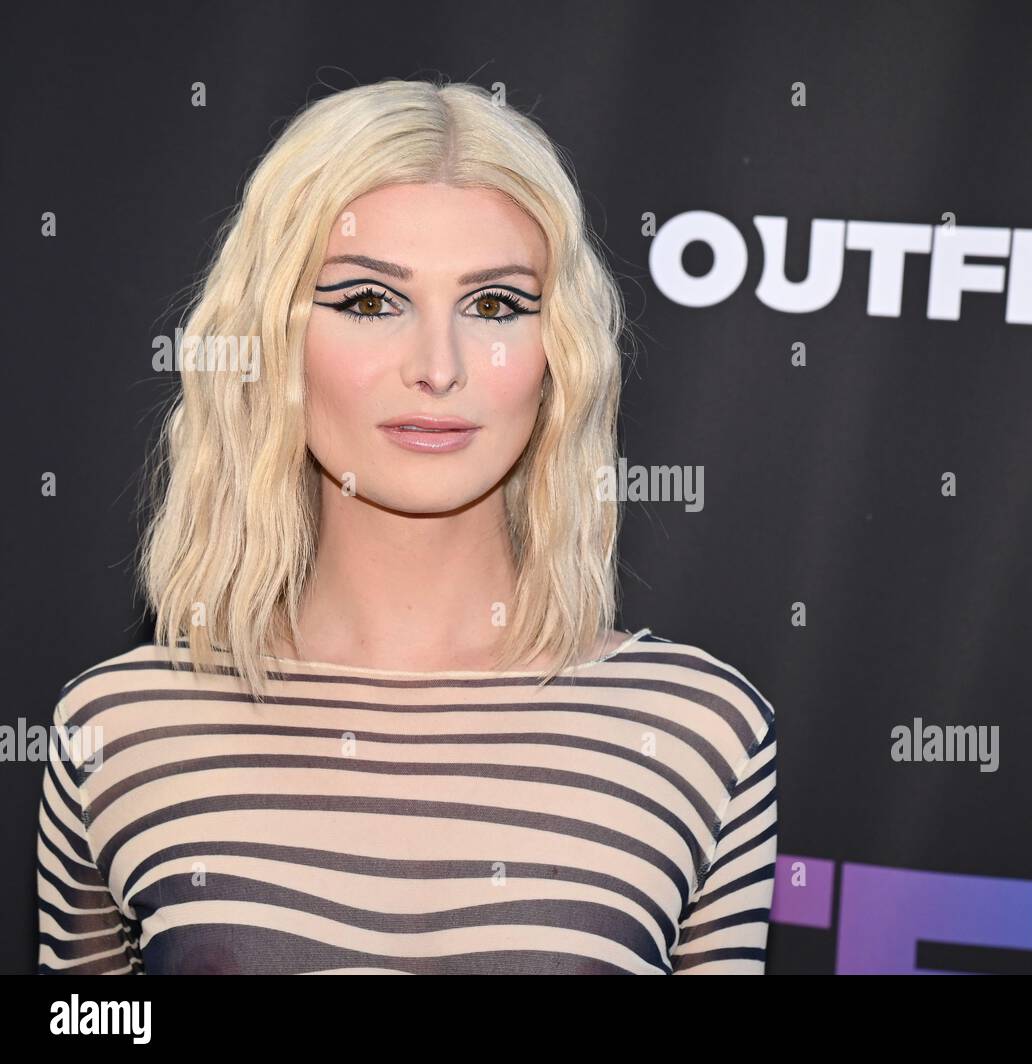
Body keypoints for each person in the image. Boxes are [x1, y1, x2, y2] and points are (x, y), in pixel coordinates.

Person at [35, 78, 777, 974]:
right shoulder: (121, 725)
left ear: (560, 356)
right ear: (270, 339)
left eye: (496, 306)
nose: (438, 367)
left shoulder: (696, 728)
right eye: (369, 302)